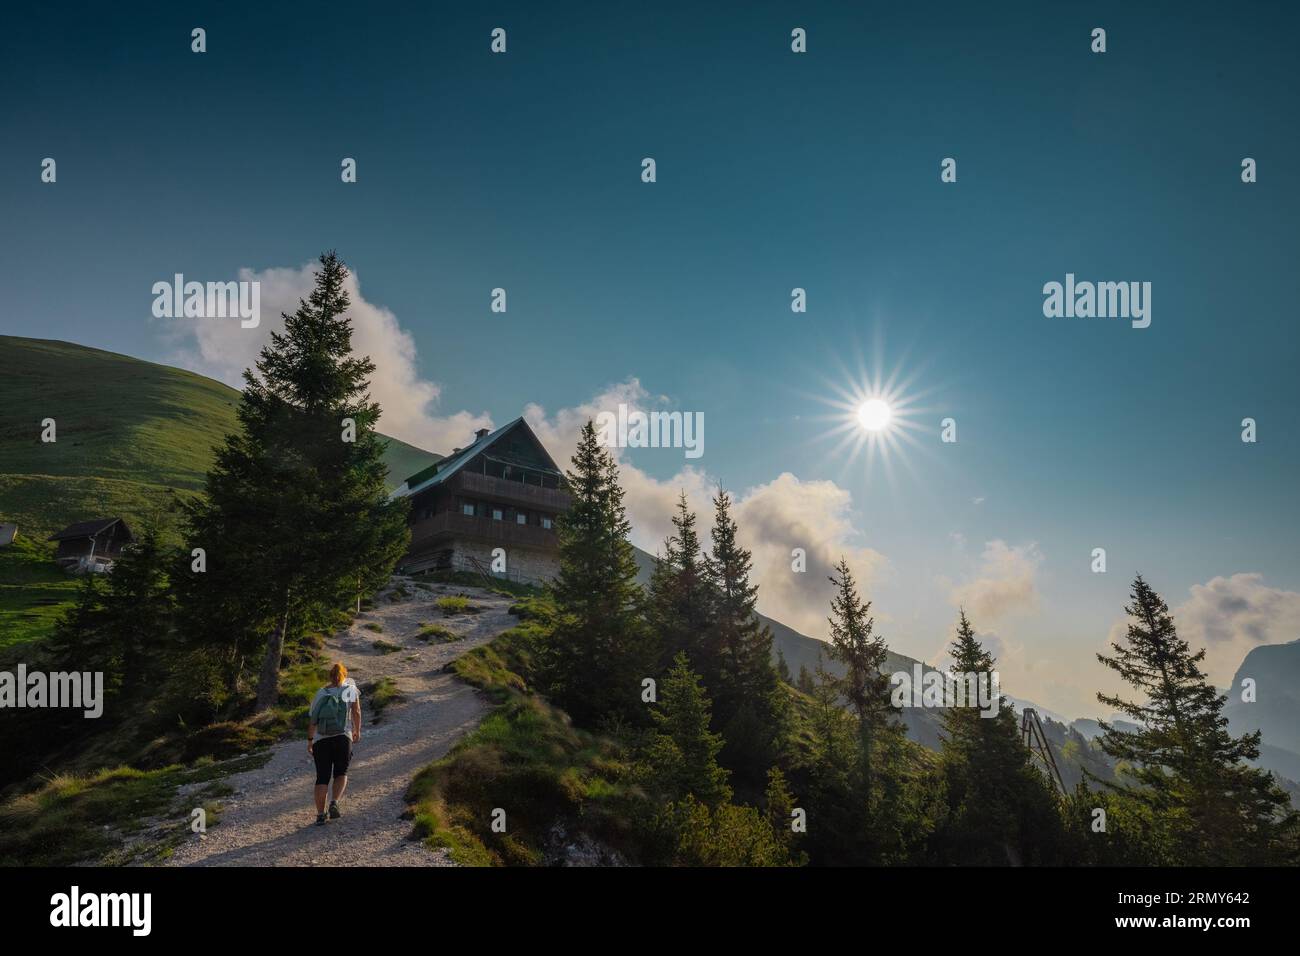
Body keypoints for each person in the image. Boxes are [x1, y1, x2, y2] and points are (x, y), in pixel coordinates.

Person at [307, 662, 362, 826]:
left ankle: (320, 815)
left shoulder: (321, 693)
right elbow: (357, 711)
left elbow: (313, 719)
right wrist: (357, 730)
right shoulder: (350, 690)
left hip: (321, 740)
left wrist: (310, 740)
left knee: (322, 777)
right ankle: (334, 802)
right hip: (342, 737)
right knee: (341, 772)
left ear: (329, 676)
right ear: (345, 674)